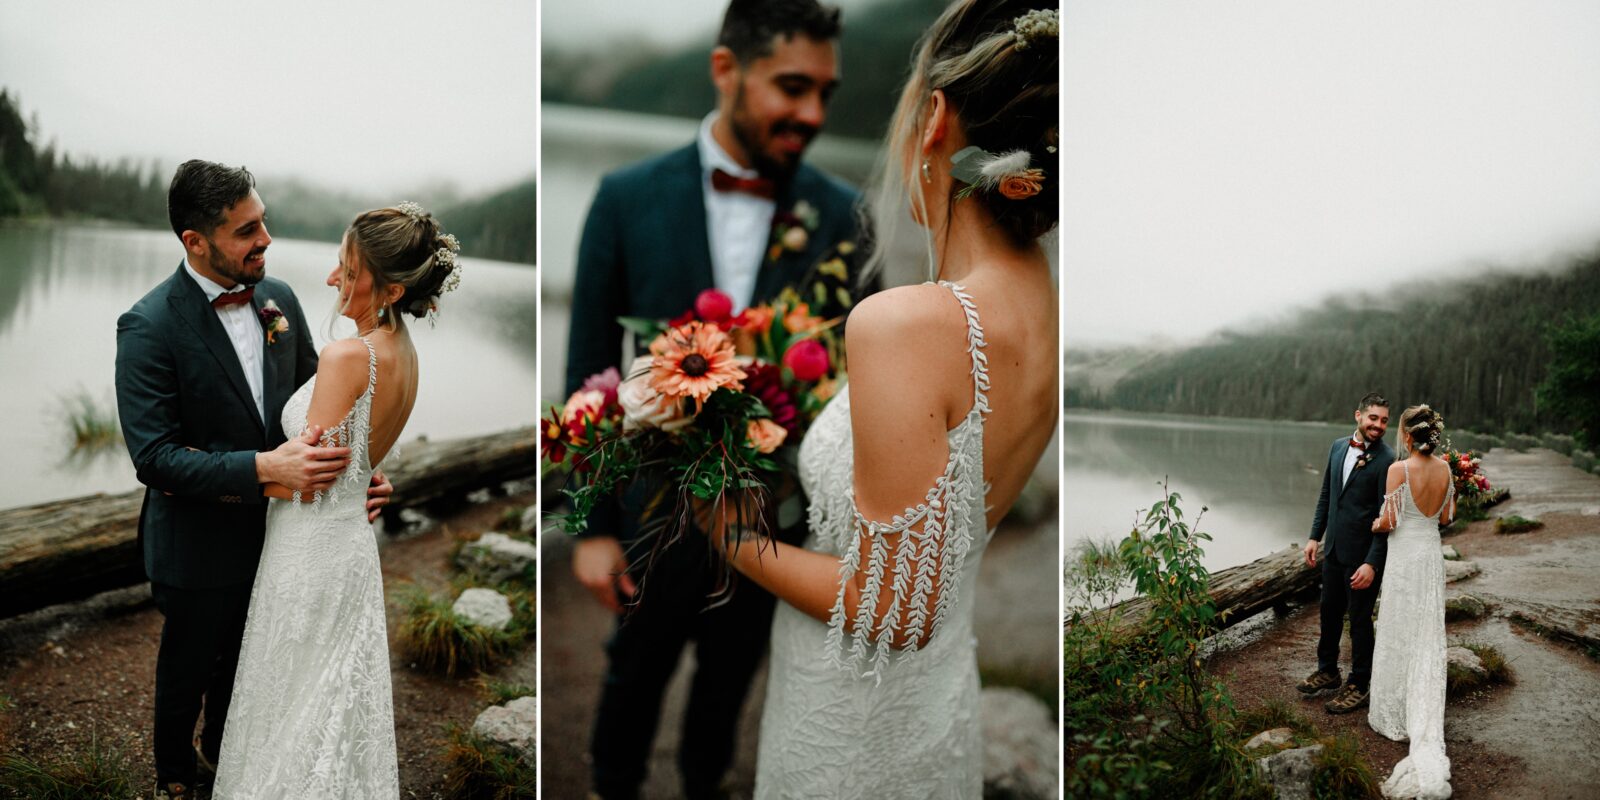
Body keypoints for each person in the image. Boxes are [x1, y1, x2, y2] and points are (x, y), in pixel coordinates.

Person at [705, 2, 1059, 796]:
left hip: (850, 729)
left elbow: (894, 611)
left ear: (935, 117)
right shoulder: (1046, 304)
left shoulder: (907, 324)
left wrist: (730, 537)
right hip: (932, 712)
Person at [562, 1, 866, 797]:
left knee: (728, 693)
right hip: (650, 516)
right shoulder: (624, 196)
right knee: (630, 682)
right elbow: (589, 369)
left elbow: (854, 386)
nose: (812, 113)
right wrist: (590, 528)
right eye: (793, 86)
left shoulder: (843, 216)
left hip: (775, 523)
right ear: (726, 70)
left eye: (825, 94)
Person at [114, 161, 393, 800]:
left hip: (282, 535)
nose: (265, 238)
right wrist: (264, 467)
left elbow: (325, 406)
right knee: (188, 665)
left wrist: (363, 475)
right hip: (195, 537)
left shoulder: (281, 301)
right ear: (195, 241)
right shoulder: (148, 325)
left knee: (245, 661)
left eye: (262, 220)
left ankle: (228, 757)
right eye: (246, 231)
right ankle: (175, 777)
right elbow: (153, 458)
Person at [209, 203, 459, 798]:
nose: (331, 280)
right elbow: (357, 460)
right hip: (350, 547)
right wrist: (365, 479)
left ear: (392, 287)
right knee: (329, 706)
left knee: (293, 704)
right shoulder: (405, 354)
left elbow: (307, 478)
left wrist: (225, 480)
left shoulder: (351, 355)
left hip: (309, 550)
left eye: (347, 270)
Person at [1368, 404, 1454, 799]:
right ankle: (1422, 705)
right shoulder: (1447, 469)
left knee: (1398, 626)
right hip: (1430, 557)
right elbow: (1446, 518)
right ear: (1433, 436)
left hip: (1404, 558)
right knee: (1425, 630)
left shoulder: (1397, 470)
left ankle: (1394, 713)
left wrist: (1374, 523)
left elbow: (1389, 521)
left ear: (1406, 436)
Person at [1299, 391, 1396, 714]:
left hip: (1363, 557)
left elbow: (1386, 518)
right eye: (1373, 418)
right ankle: (1328, 671)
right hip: (1334, 550)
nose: (1378, 425)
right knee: (1329, 612)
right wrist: (1315, 537)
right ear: (1358, 416)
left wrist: (1372, 563)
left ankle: (1359, 683)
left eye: (1384, 420)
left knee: (1359, 621)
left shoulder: (1388, 460)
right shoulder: (1338, 446)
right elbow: (1327, 494)